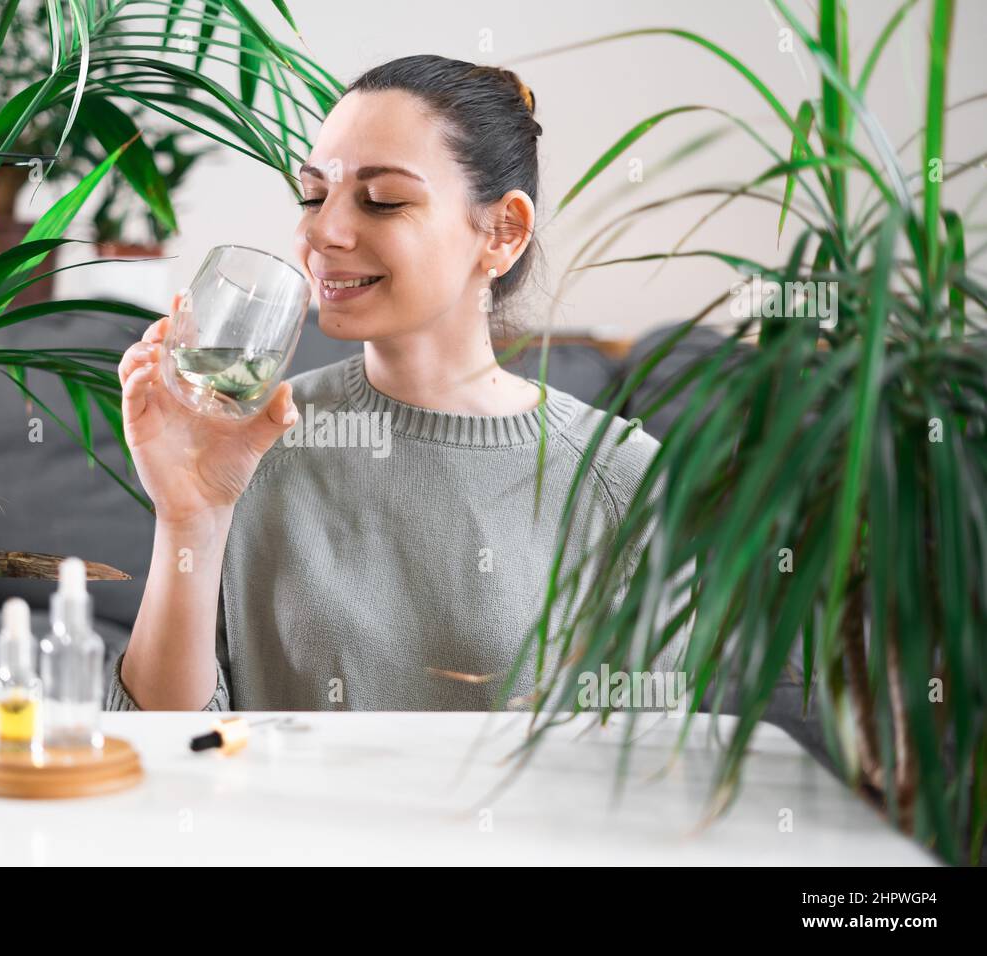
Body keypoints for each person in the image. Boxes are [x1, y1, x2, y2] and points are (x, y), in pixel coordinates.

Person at [108, 54, 683, 712]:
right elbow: (169, 753)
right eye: (314, 195)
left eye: (382, 201)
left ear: (503, 232)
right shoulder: (246, 443)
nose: (321, 231)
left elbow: (649, 779)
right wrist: (190, 519)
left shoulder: (624, 483)